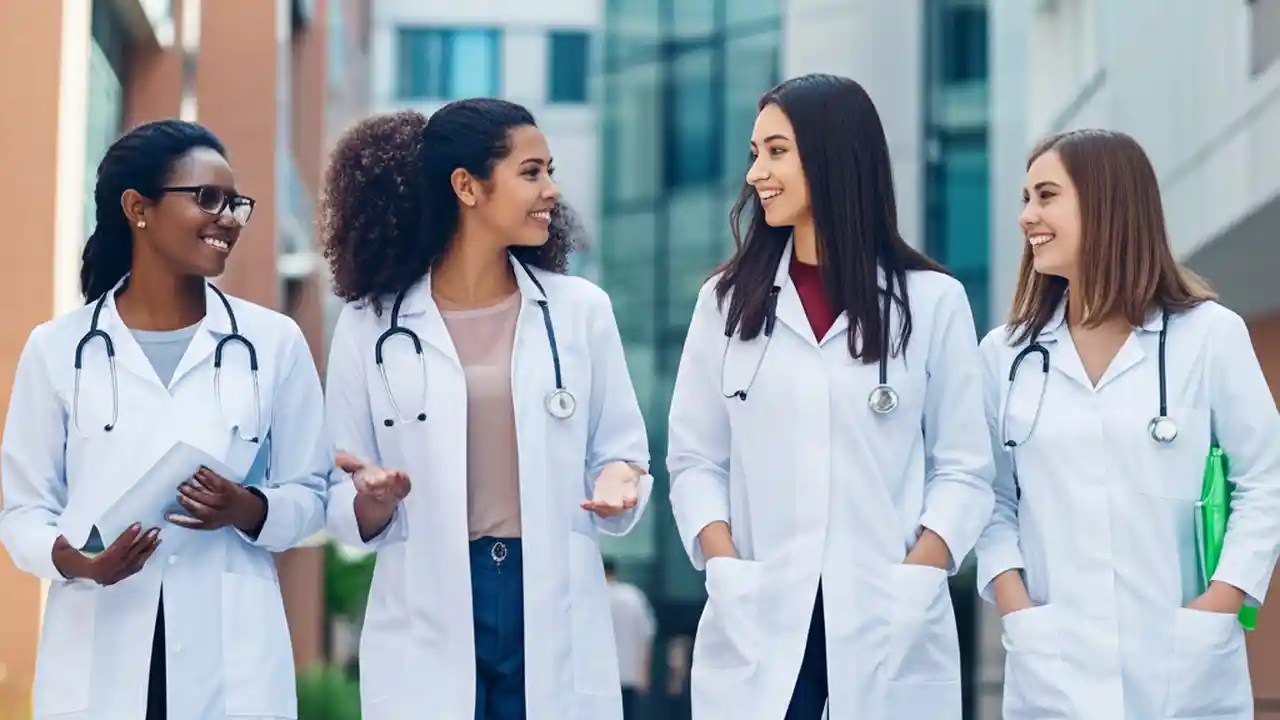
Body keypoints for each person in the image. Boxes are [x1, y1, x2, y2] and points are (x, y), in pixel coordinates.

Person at [667, 73, 995, 719]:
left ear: (834, 155)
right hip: (760, 609)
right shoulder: (725, 304)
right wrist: (726, 565)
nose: (757, 172)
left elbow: (964, 467)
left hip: (885, 614)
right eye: (755, 153)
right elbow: (695, 460)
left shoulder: (931, 302)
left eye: (777, 151)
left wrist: (919, 571)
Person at [320, 99, 652, 720]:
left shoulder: (580, 310)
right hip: (430, 599)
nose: (551, 191)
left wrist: (617, 481)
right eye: (531, 172)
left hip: (547, 592)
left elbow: (621, 450)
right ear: (467, 186)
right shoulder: (371, 324)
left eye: (549, 171)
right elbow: (337, 488)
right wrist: (372, 496)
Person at [0, 119, 329, 719]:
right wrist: (77, 562)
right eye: (207, 198)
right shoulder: (58, 349)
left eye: (234, 203)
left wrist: (248, 508)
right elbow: (22, 509)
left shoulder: (272, 342)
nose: (227, 217)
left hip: (230, 655)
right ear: (137, 208)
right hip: (99, 643)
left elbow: (312, 493)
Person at [974, 128, 1280, 719]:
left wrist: (1224, 600)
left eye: (1045, 196)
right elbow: (990, 498)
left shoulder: (1209, 336)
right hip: (1051, 664)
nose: (1026, 217)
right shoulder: (1005, 355)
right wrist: (1015, 603)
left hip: (1183, 665)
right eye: (1024, 198)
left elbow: (1265, 482)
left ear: (1105, 203)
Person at [604, 558, 656, 719]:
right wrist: (644, 673)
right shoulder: (633, 596)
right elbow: (646, 635)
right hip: (629, 674)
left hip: (601, 676)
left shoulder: (592, 597)